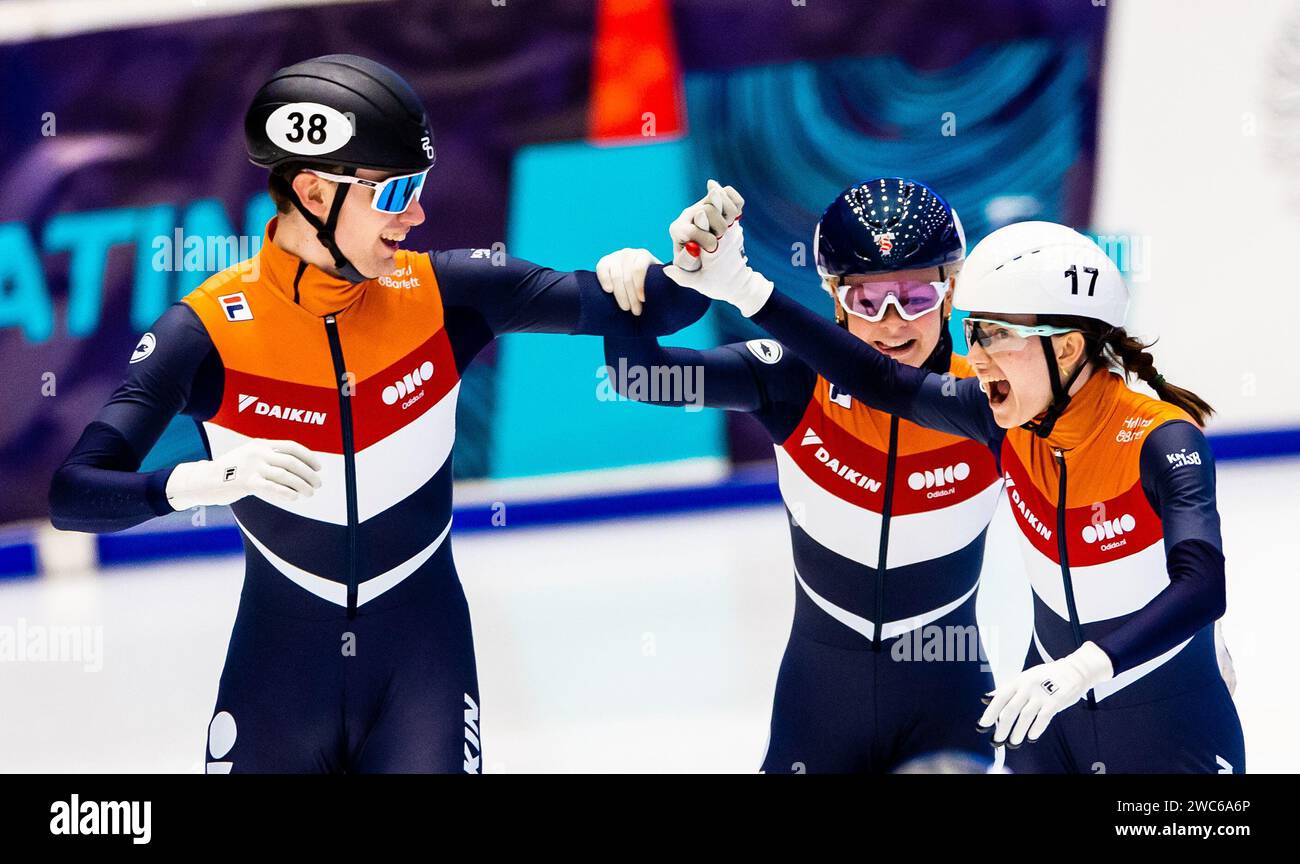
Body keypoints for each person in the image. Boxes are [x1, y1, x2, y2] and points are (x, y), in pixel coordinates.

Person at [47, 54, 711, 773]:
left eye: (419, 186)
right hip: (278, 678)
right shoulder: (204, 331)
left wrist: (686, 261)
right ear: (311, 191)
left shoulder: (448, 294)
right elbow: (74, 495)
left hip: (420, 670)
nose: (418, 214)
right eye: (395, 192)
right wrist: (203, 481)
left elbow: (666, 305)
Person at [647, 188, 1244, 772]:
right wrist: (744, 289)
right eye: (976, 333)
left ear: (1065, 349)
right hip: (1044, 720)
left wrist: (1099, 663)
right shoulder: (997, 418)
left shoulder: (1163, 439)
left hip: (1159, 718)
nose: (977, 359)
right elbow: (882, 381)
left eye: (998, 338)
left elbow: (1202, 585)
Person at [599, 179, 1003, 773]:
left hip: (944, 699)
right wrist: (647, 286)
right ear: (834, 297)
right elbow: (640, 377)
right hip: (819, 707)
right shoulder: (792, 382)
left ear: (951, 291)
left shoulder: (993, 402)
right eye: (868, 301)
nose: (892, 324)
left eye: (914, 296)